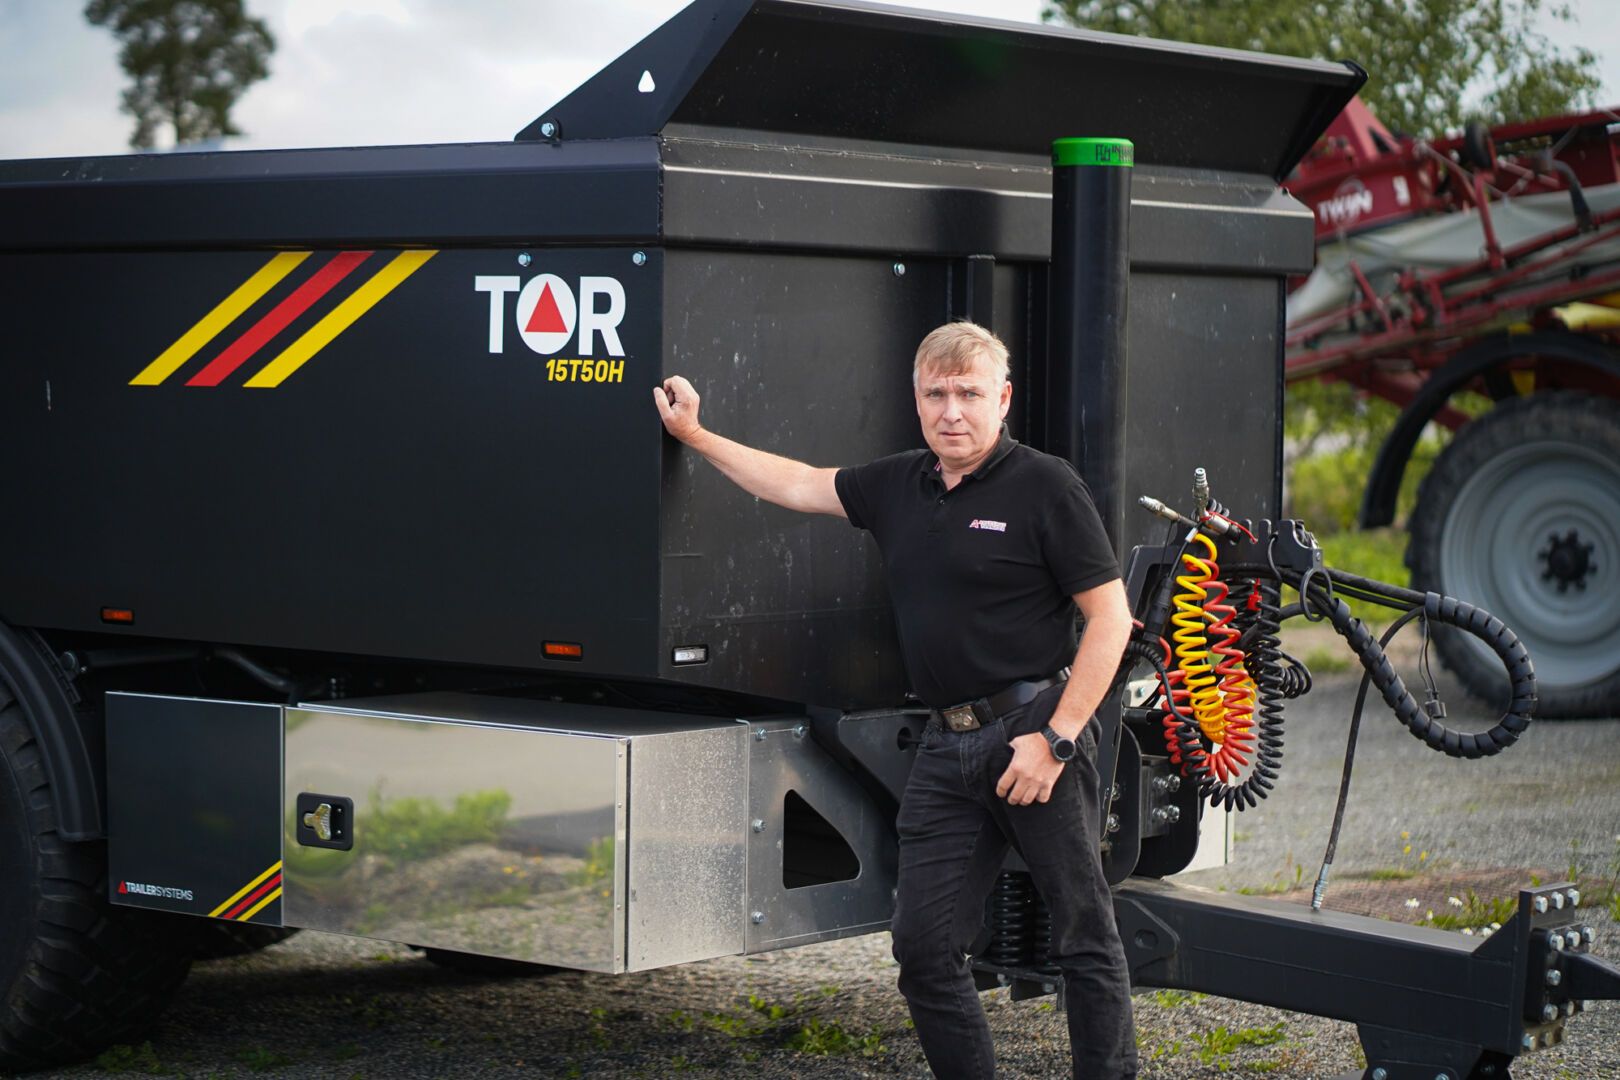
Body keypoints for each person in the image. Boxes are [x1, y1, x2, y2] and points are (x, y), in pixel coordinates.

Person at [653, 321, 1136, 1079]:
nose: (953, 411)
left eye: (970, 394)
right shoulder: (897, 485)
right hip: (946, 748)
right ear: (916, 402)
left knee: (1083, 933)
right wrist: (698, 434)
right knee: (923, 949)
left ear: (1002, 399)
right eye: (936, 394)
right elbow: (796, 481)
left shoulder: (1045, 486)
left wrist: (1060, 738)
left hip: (1033, 734)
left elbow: (1111, 617)